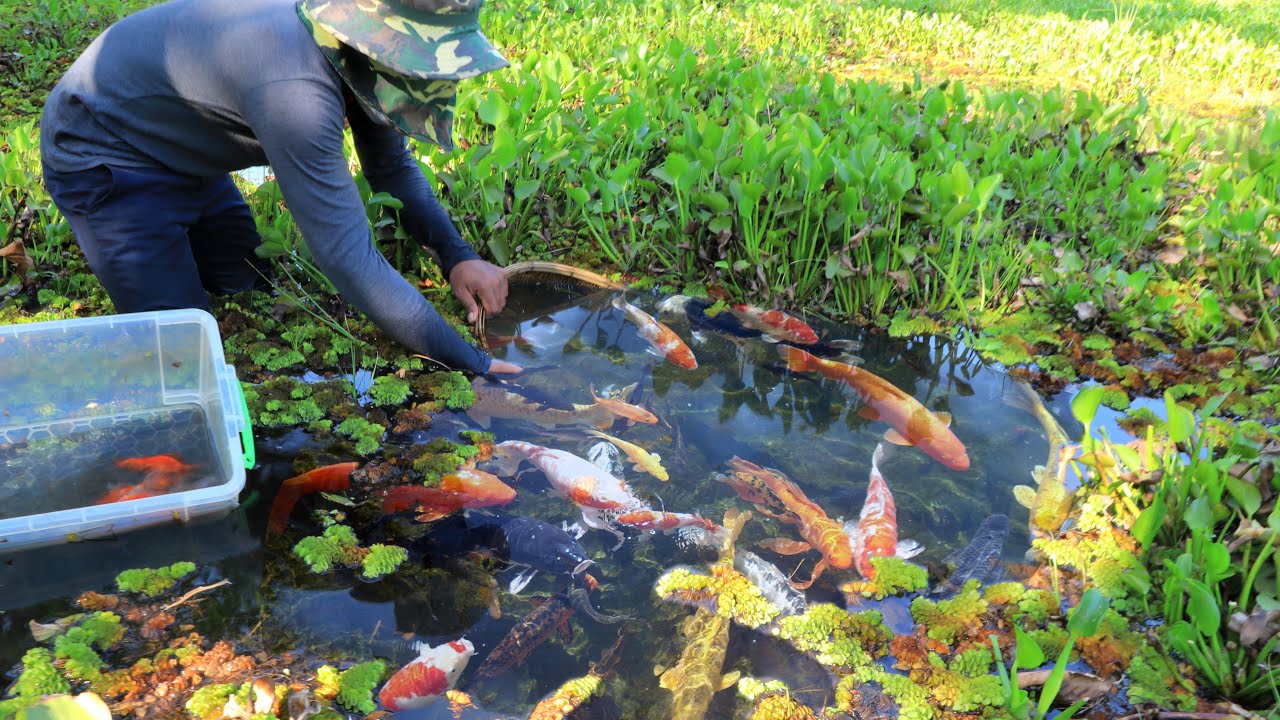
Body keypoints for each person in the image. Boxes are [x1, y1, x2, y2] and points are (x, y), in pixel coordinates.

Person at [39, 0, 521, 376]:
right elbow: (349, 259)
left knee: (248, 286)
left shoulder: (354, 45)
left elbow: (391, 167)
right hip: (104, 155)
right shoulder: (297, 92)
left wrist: (456, 256)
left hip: (186, 154)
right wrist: (469, 360)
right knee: (185, 350)